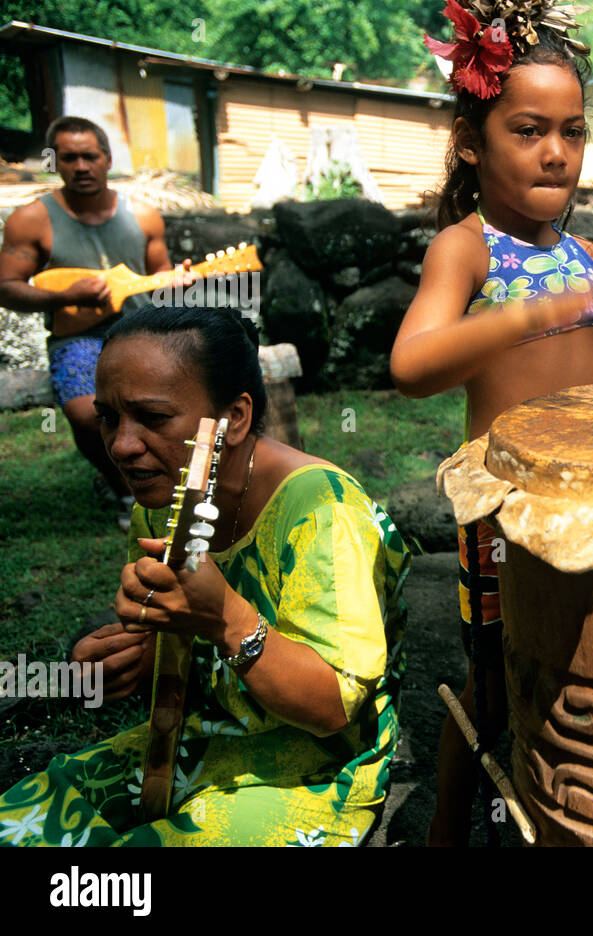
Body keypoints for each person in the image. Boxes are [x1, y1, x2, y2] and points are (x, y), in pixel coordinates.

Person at [0, 305, 409, 846]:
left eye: (152, 417)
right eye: (108, 416)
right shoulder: (166, 493)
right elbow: (170, 659)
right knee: (19, 825)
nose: (122, 444)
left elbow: (332, 709)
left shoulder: (323, 512)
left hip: (310, 772)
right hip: (196, 741)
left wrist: (228, 619)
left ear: (234, 418)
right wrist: (126, 659)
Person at [390, 0, 593, 846]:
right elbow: (412, 366)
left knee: (589, 657)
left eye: (572, 131)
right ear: (471, 140)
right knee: (494, 677)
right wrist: (526, 317)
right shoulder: (467, 248)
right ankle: (449, 826)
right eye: (529, 129)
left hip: (592, 497)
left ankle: (569, 806)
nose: (556, 152)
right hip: (506, 509)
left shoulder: (585, 258)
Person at [0, 116, 193, 530]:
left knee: (179, 402)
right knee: (88, 415)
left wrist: (179, 280)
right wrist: (65, 297)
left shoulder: (143, 215)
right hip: (79, 337)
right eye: (69, 158)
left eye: (90, 156)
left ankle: (180, 483)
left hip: (146, 330)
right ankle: (122, 487)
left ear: (107, 159)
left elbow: (162, 278)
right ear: (55, 163)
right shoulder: (30, 220)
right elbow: (7, 287)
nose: (81, 166)